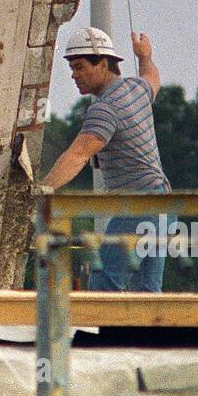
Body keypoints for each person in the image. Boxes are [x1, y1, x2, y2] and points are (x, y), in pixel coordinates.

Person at [37, 26, 174, 292]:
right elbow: (152, 78)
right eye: (71, 69)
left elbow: (78, 154)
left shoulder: (104, 108)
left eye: (79, 67)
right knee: (148, 294)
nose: (74, 76)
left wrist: (44, 189)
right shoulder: (136, 89)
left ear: (103, 63)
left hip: (138, 207)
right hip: (164, 205)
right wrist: (145, 56)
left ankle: (103, 335)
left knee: (104, 288)